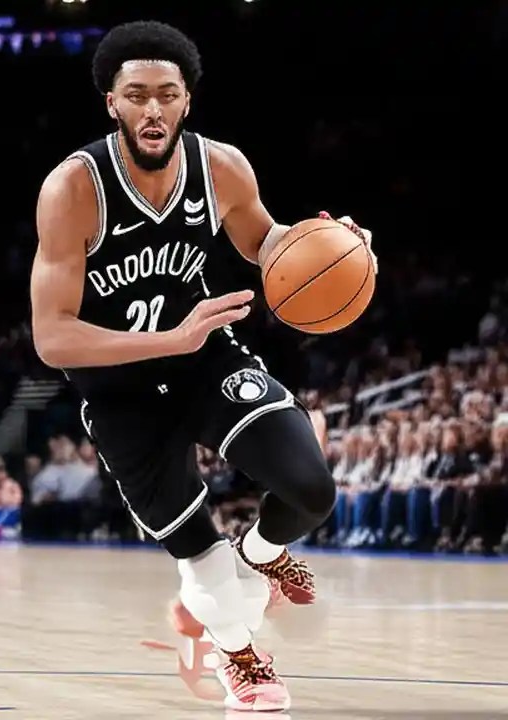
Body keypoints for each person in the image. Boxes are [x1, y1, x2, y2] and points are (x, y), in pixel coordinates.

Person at [29, 21, 373, 712]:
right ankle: (239, 654)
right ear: (111, 103)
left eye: (166, 94)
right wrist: (169, 340)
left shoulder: (222, 168)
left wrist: (331, 244)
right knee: (198, 550)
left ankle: (261, 556)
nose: (152, 109)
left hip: (203, 355)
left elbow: (265, 241)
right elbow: (52, 338)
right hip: (120, 388)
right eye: (136, 95)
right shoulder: (74, 188)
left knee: (310, 489)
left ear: (186, 101)